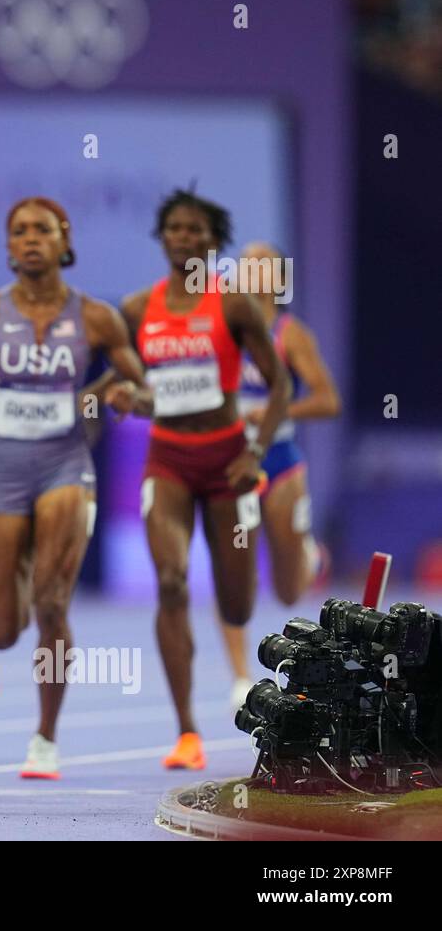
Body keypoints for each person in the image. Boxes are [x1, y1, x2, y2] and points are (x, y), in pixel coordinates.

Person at [0, 197, 148, 779]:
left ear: (65, 242)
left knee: (52, 603)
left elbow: (137, 379)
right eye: (19, 231)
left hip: (66, 464)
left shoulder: (95, 317)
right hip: (3, 472)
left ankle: (45, 737)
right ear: (8, 248)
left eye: (43, 229)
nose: (31, 238)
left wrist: (113, 392)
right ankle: (22, 560)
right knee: (5, 631)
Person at [105, 189, 291, 770]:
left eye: (197, 230)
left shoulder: (235, 307)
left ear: (214, 242)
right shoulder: (137, 309)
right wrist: (123, 397)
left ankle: (239, 654)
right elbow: (144, 391)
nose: (185, 238)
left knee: (235, 604)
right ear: (161, 237)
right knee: (172, 581)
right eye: (175, 228)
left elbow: (280, 387)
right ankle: (186, 730)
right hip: (169, 462)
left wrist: (255, 452)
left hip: (229, 463)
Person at [219, 241, 341, 708]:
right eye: (245, 264)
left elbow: (328, 400)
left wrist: (272, 410)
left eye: (261, 265)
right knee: (233, 569)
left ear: (277, 280)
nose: (250, 271)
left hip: (282, 460)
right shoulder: (222, 333)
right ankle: (238, 675)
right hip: (232, 464)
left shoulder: (290, 334)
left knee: (289, 593)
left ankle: (308, 556)